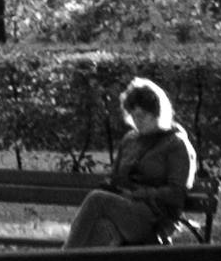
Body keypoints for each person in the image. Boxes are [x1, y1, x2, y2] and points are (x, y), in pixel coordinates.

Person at [69, 77, 197, 248]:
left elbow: (176, 193)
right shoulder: (130, 140)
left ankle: (60, 260)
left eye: (142, 116)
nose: (137, 121)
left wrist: (140, 193)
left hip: (154, 218)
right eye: (133, 116)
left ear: (158, 113)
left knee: (96, 199)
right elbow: (115, 177)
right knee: (102, 228)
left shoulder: (176, 144)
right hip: (124, 211)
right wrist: (112, 185)